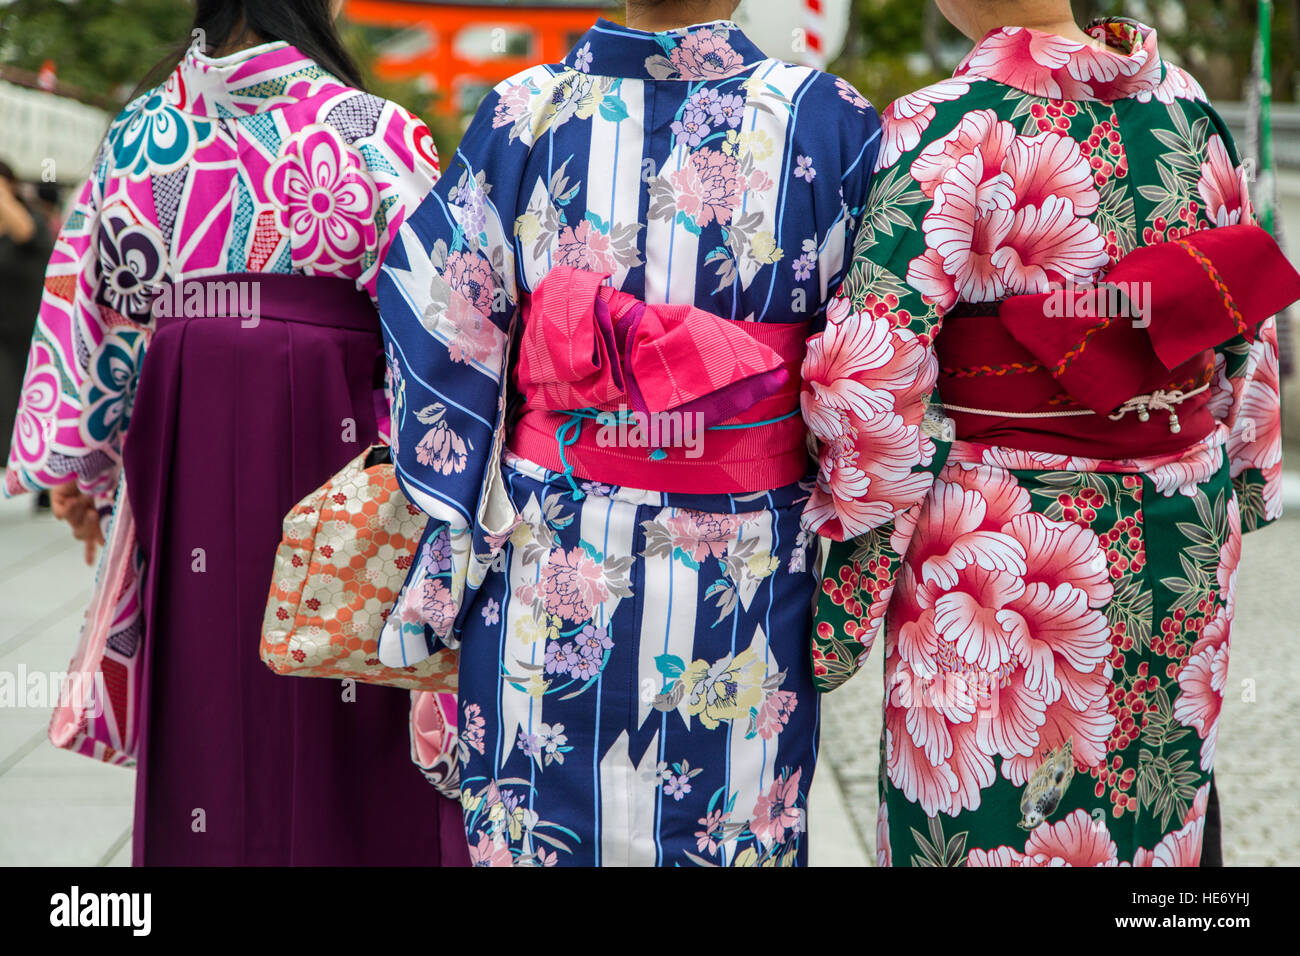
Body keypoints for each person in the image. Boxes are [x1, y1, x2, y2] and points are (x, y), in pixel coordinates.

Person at [377, 0, 880, 866]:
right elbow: (875, 368)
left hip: (548, 546)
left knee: (540, 825)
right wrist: (856, 546)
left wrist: (456, 527)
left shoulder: (520, 111)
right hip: (746, 556)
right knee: (728, 829)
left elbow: (441, 314)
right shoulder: (827, 117)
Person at [801, 2, 1300, 866]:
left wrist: (849, 594)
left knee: (986, 815)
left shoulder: (946, 124)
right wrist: (1245, 479)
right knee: (1158, 815)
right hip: (1178, 527)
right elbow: (1237, 323)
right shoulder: (1189, 112)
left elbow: (868, 384)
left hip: (1008, 553)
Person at [4, 0, 469, 866]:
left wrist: (78, 464)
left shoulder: (141, 132)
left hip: (188, 427)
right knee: (344, 688)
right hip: (339, 453)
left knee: (210, 700)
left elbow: (94, 309)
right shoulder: (373, 129)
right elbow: (444, 323)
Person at [0, 162, 53, 466]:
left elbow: (25, 233)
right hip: (4, 333)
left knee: (35, 403)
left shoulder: (29, 218)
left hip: (31, 330)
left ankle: (43, 474)